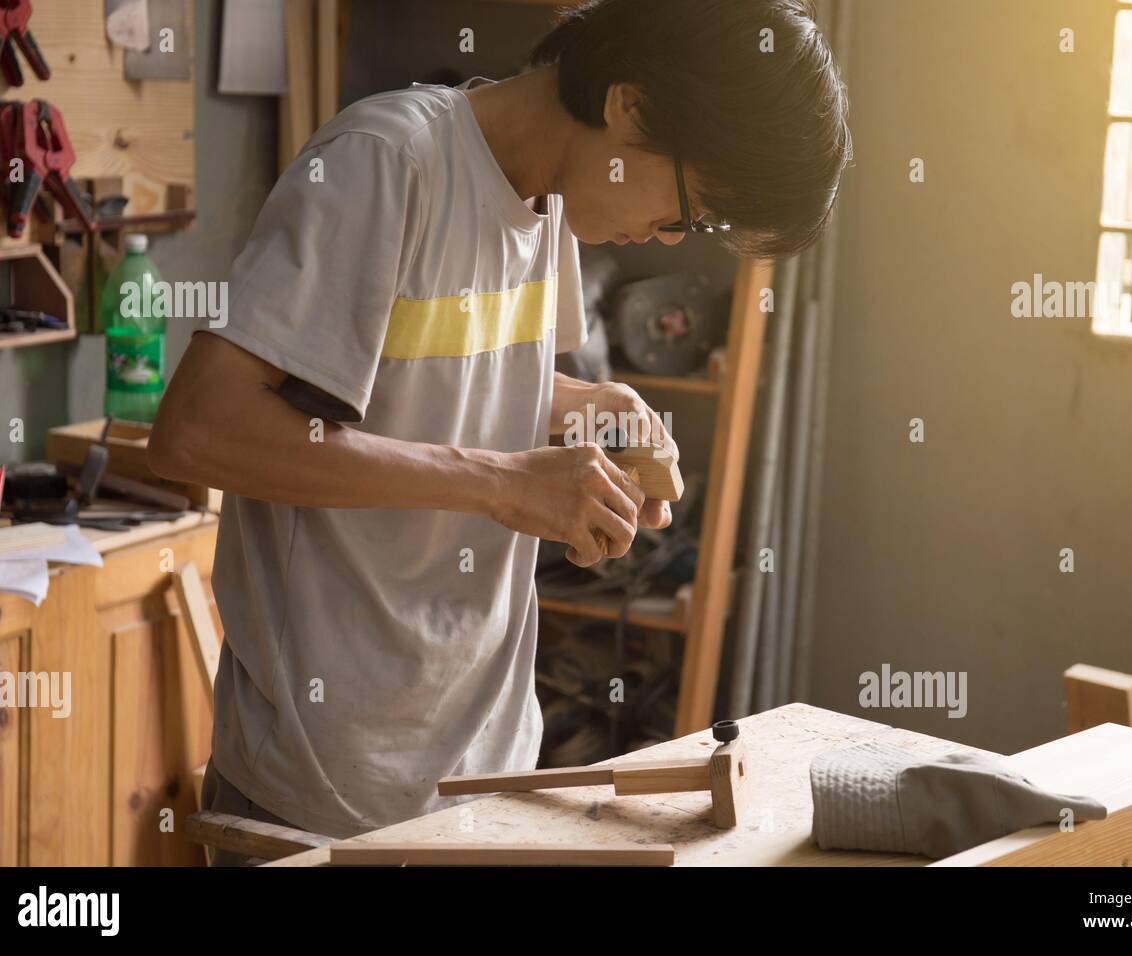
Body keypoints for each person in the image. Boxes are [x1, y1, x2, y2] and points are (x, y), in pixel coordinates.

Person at [147, 0, 851, 855]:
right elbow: (200, 425)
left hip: (488, 765)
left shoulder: (547, 196)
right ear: (629, 107)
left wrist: (597, 408)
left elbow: (454, 370)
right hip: (328, 782)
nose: (670, 237)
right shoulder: (386, 162)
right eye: (689, 212)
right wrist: (498, 483)